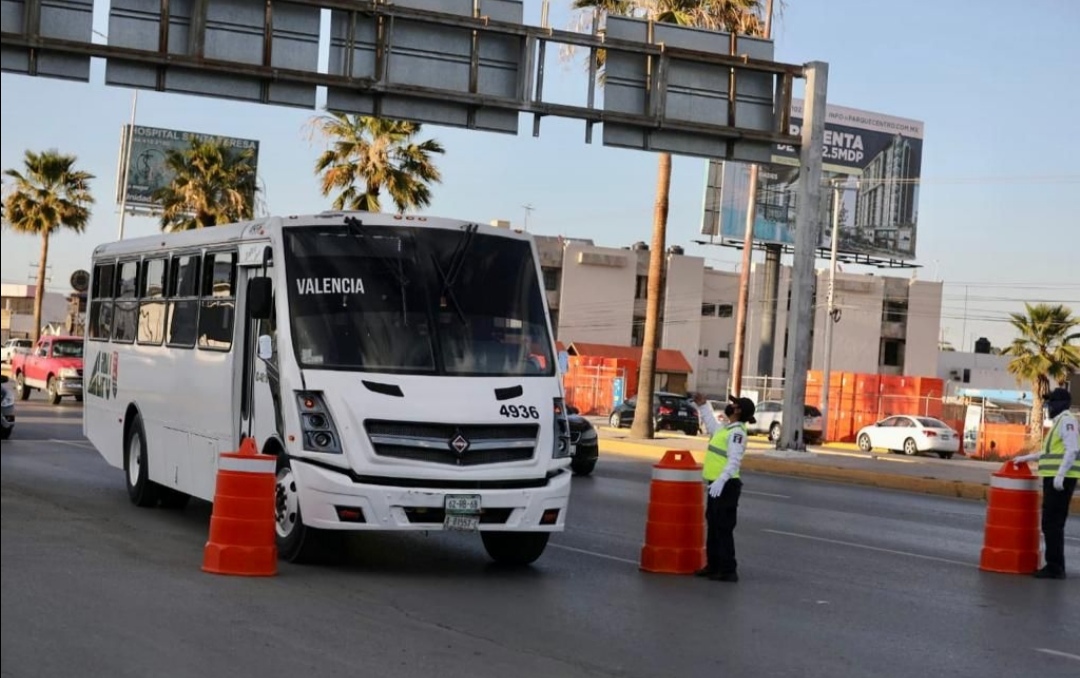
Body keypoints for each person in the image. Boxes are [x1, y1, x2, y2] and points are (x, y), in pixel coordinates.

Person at [1012, 387, 1079, 579]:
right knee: (1051, 522)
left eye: (1051, 402)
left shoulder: (1067, 421)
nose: (1048, 406)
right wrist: (1026, 458)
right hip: (1055, 478)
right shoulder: (1059, 423)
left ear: (1061, 404)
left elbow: (1072, 450)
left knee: (1052, 523)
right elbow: (1049, 453)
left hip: (1060, 480)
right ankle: (1056, 565)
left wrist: (1060, 475)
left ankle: (1055, 567)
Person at [691, 392, 756, 583]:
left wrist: (721, 480)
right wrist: (703, 406)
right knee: (713, 525)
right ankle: (713, 565)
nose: (730, 406)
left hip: (726, 486)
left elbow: (734, 461)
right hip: (716, 485)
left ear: (738, 411)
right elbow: (712, 426)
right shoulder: (727, 429)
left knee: (723, 528)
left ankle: (728, 570)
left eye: (734, 405)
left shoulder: (737, 433)